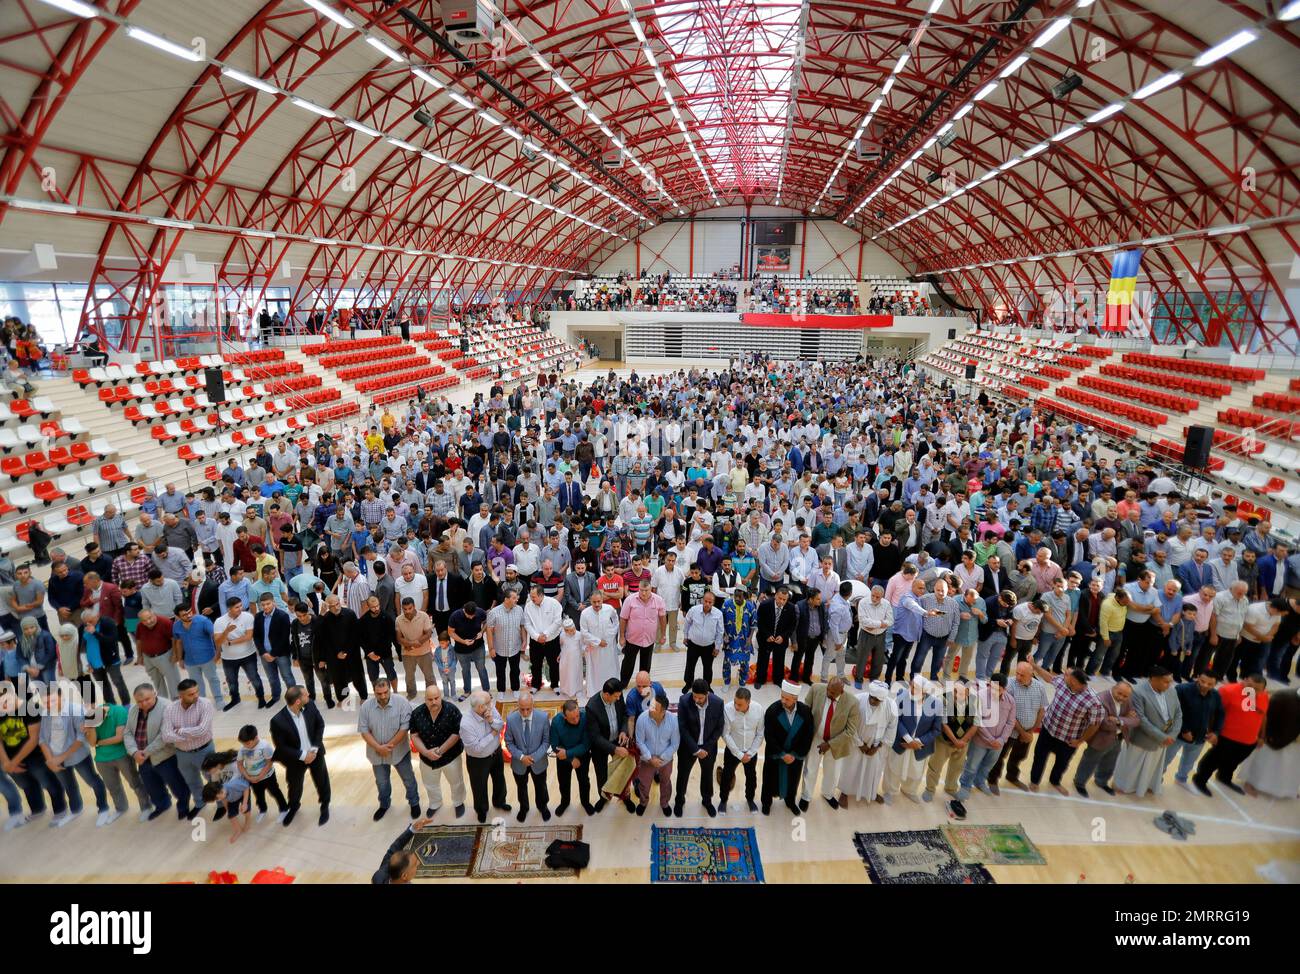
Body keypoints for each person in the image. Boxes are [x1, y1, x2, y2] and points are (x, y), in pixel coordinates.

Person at [1024, 659, 1105, 794]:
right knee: (1039, 757)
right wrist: (1033, 665)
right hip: (1047, 729)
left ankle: (1055, 781)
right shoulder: (1063, 682)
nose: (1063, 676)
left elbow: (1094, 725)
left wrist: (1080, 741)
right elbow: (1049, 678)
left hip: (1068, 739)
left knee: (1061, 763)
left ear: (1074, 681)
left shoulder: (1093, 701)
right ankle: (1034, 781)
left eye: (1067, 675)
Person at [39, 687, 114, 827]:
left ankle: (103, 808)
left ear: (61, 697)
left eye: (52, 701)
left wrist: (60, 758)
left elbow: (80, 739)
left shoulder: (75, 710)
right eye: (46, 702)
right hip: (55, 758)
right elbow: (42, 739)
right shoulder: (46, 714)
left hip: (78, 756)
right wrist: (49, 760)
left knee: (93, 781)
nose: (49, 705)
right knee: (68, 786)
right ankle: (75, 809)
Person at [124, 683, 192, 821]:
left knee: (176, 784)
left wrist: (145, 752)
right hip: (142, 757)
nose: (143, 704)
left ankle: (183, 805)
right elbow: (128, 732)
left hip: (165, 756)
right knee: (151, 785)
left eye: (147, 699)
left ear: (154, 693)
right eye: (139, 701)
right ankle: (162, 805)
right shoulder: (133, 709)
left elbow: (164, 736)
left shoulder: (168, 707)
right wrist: (134, 752)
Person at [1193, 674, 1269, 796]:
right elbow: (1214, 712)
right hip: (1226, 737)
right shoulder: (1227, 691)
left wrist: (1261, 736)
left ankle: (1224, 777)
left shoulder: (1264, 697)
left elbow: (1263, 716)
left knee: (1233, 762)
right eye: (1249, 686)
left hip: (1249, 740)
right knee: (1213, 760)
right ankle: (1200, 779)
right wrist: (1212, 731)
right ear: (1244, 680)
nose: (1251, 690)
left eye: (1256, 689)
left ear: (1263, 690)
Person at [1113, 665, 1182, 797]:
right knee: (1132, 765)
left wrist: (1172, 735)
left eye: (1170, 681)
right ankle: (1123, 785)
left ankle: (1147, 786)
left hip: (1164, 738)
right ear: (1154, 679)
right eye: (1166, 681)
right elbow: (1141, 719)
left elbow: (1178, 714)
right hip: (1142, 737)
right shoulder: (1138, 692)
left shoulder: (1171, 691)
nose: (1169, 684)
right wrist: (1162, 737)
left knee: (1153, 767)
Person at [358, 679, 421, 821]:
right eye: (379, 693)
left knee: (408, 779)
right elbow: (364, 730)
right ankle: (384, 805)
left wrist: (388, 747)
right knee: (381, 781)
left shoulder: (402, 703)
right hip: (376, 753)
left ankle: (414, 803)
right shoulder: (366, 707)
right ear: (374, 691)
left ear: (390, 689)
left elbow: (404, 728)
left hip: (399, 752)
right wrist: (379, 748)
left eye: (386, 692)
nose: (383, 696)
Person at [270, 685, 330, 826]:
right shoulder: (277, 721)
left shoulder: (311, 706)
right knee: (294, 786)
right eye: (305, 694)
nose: (308, 695)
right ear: (298, 701)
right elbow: (281, 747)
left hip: (315, 754)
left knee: (322, 781)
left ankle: (325, 805)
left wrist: (314, 749)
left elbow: (320, 725)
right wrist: (303, 755)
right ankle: (294, 806)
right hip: (296, 759)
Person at [86, 695, 152, 823]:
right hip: (102, 759)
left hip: (122, 755)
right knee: (113, 786)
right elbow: (92, 743)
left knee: (135, 783)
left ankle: (146, 807)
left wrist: (100, 742)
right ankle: (121, 808)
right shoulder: (90, 717)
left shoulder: (118, 711)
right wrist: (91, 727)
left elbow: (119, 737)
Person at [987, 660, 1047, 794]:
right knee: (999, 757)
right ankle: (992, 780)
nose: (1018, 677)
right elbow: (1008, 713)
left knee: (1019, 756)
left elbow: (1041, 710)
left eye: (1022, 675)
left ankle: (1012, 776)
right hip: (1008, 732)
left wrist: (1030, 732)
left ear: (1031, 675)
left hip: (1027, 732)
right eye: (1017, 673)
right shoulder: (1009, 685)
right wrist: (1022, 732)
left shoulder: (1040, 687)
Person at [801, 675, 860, 810]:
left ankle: (828, 794)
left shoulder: (853, 703)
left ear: (842, 691)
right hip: (816, 737)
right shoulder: (816, 689)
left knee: (833, 772)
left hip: (837, 742)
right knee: (810, 768)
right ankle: (806, 796)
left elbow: (850, 731)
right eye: (828, 690)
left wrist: (830, 744)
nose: (828, 693)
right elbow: (805, 712)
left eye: (832, 693)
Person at [409, 685, 466, 819]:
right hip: (426, 758)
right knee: (430, 783)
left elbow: (457, 733)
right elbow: (414, 735)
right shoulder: (417, 713)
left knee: (456, 781)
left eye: (436, 698)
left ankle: (458, 802)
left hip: (450, 756)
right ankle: (435, 803)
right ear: (425, 699)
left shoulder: (452, 710)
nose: (433, 702)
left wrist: (440, 751)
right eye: (430, 699)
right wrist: (426, 752)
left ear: (440, 696)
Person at [1071, 680, 1137, 797]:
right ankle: (1079, 783)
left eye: (1125, 696)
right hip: (1100, 738)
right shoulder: (1101, 699)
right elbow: (1104, 724)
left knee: (1109, 762)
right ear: (1113, 688)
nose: (1122, 697)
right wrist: (1126, 719)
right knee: (1089, 761)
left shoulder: (1128, 700)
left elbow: (1136, 720)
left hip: (1118, 738)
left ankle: (1101, 781)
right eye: (1119, 693)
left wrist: (1118, 720)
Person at [161, 679, 216, 818]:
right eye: (191, 694)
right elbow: (166, 736)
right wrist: (189, 734)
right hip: (182, 754)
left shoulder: (205, 704)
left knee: (213, 778)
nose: (196, 695)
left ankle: (221, 805)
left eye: (197, 691)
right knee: (192, 781)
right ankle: (199, 803)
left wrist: (179, 732)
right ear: (181, 696)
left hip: (204, 750)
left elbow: (202, 730)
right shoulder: (170, 709)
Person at [955, 675, 1015, 800]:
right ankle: (965, 785)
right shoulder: (979, 696)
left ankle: (980, 781)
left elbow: (1010, 723)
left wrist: (1001, 740)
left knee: (988, 765)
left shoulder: (1010, 701)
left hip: (998, 743)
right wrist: (990, 739)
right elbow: (977, 720)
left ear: (1004, 689)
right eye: (991, 687)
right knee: (971, 765)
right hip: (980, 741)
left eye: (997, 689)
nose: (993, 691)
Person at [883, 677, 943, 805]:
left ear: (924, 691)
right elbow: (896, 719)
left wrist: (918, 742)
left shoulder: (937, 704)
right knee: (893, 767)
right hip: (902, 742)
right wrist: (908, 739)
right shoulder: (902, 695)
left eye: (915, 688)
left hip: (919, 746)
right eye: (911, 686)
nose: (911, 689)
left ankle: (909, 790)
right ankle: (889, 791)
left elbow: (936, 730)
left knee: (915, 771)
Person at [838, 680, 899, 806]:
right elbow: (850, 724)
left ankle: (871, 792)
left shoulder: (891, 706)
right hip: (856, 744)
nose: (873, 701)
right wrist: (860, 744)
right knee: (850, 767)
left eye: (877, 700)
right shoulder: (857, 700)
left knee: (874, 771)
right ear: (869, 693)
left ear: (883, 699)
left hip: (877, 746)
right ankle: (844, 792)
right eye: (872, 698)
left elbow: (891, 729)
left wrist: (877, 747)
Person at [760, 680, 814, 815]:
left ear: (795, 699)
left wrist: (794, 754)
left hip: (795, 756)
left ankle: (790, 801)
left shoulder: (806, 712)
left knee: (793, 780)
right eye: (782, 697)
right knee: (768, 781)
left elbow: (808, 736)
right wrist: (782, 754)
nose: (783, 701)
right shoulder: (772, 711)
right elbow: (769, 736)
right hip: (776, 754)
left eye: (787, 699)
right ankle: (766, 803)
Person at [674, 678, 724, 817]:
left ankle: (707, 801)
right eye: (694, 696)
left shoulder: (718, 703)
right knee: (683, 774)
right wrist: (695, 749)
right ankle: (679, 800)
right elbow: (682, 728)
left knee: (707, 776)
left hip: (708, 747)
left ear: (707, 694)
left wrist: (706, 748)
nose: (696, 699)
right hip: (688, 747)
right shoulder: (684, 701)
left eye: (700, 697)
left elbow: (719, 728)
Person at [1166, 672, 1225, 790]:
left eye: (1210, 684)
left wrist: (1215, 732)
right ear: (1197, 678)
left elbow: (1220, 713)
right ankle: (1156, 779)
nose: (1205, 685)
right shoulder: (1181, 689)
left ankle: (1181, 779)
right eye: (1203, 681)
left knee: (1189, 761)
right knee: (1165, 759)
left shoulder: (1216, 695)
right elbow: (1173, 711)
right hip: (1177, 735)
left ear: (1215, 684)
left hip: (1200, 737)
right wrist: (1184, 730)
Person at [460, 689, 511, 823]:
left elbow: (500, 725)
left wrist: (491, 721)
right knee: (479, 786)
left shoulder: (490, 708)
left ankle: (500, 802)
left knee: (499, 779)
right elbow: (477, 748)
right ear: (480, 707)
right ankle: (482, 810)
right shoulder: (466, 723)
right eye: (489, 702)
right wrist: (493, 734)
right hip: (478, 760)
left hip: (496, 753)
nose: (492, 704)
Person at [585, 677, 635, 813]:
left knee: (624, 770)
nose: (619, 699)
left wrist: (624, 731)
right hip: (600, 745)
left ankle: (626, 797)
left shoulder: (618, 695)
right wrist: (615, 749)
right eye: (616, 697)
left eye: (619, 696)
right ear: (607, 695)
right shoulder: (591, 706)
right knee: (601, 774)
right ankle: (603, 798)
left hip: (618, 739)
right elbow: (594, 737)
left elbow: (625, 715)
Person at [923, 681, 979, 802]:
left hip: (963, 743)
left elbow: (976, 724)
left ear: (967, 692)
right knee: (935, 766)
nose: (954, 694)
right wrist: (955, 740)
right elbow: (944, 723)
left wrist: (962, 741)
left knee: (957, 767)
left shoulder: (974, 702)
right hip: (943, 741)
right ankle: (929, 789)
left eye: (958, 692)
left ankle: (951, 788)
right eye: (953, 691)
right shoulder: (942, 699)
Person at [1239, 688, 1299, 799]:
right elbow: (1266, 716)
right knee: (1262, 760)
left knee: (1290, 766)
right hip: (1273, 736)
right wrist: (1264, 735)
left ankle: (1288, 789)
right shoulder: (1283, 697)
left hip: (1294, 740)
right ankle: (1250, 782)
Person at [504, 689, 551, 822]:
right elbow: (508, 742)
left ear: (533, 705)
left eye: (528, 709)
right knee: (521, 788)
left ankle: (543, 807)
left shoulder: (543, 717)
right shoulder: (511, 719)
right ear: (518, 706)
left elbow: (546, 741)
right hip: (519, 763)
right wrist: (521, 757)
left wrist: (534, 757)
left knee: (541, 786)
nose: (525, 713)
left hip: (539, 762)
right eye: (522, 709)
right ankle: (524, 808)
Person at [633, 691, 678, 816]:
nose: (650, 709)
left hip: (666, 760)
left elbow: (674, 744)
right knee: (644, 783)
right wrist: (650, 758)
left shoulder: (673, 721)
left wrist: (661, 759)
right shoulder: (642, 718)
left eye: (654, 708)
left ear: (663, 711)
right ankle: (643, 802)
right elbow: (640, 742)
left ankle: (664, 803)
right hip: (647, 759)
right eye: (651, 705)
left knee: (666, 781)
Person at [719, 686, 763, 813]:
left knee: (751, 776)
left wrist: (750, 753)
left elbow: (760, 733)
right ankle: (723, 800)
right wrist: (739, 754)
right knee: (726, 775)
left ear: (748, 702)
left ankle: (750, 799)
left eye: (740, 704)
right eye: (735, 703)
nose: (736, 707)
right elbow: (725, 734)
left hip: (750, 752)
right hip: (733, 751)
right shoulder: (727, 709)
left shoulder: (758, 709)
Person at [549, 698, 594, 816]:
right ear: (564, 716)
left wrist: (568, 753)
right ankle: (565, 802)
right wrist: (570, 759)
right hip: (563, 758)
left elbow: (586, 744)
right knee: (563, 782)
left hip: (581, 755)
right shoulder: (556, 722)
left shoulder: (585, 718)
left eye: (577, 716)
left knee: (584, 781)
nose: (576, 720)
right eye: (572, 718)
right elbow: (555, 745)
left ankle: (585, 802)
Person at [236, 724, 288, 823]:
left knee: (275, 792)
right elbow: (240, 764)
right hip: (252, 778)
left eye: (248, 743)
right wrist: (248, 777)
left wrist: (260, 776)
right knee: (259, 795)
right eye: (243, 743)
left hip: (268, 777)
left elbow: (269, 763)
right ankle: (262, 810)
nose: (245, 746)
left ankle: (284, 809)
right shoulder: (243, 749)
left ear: (256, 737)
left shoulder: (265, 746)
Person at [619, 577, 665, 687]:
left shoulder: (659, 600)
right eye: (641, 590)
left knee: (646, 664)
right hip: (632, 639)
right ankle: (623, 683)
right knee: (628, 663)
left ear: (651, 589)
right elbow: (623, 618)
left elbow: (663, 618)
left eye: (646, 590)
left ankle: (643, 684)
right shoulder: (630, 599)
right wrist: (621, 636)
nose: (643, 593)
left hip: (649, 639)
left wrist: (663, 635)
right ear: (638, 589)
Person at [252, 594, 294, 703]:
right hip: (265, 653)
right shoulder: (258, 616)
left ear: (273, 602)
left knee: (287, 677)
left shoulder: (283, 616)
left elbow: (284, 637)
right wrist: (263, 652)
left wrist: (273, 654)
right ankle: (275, 696)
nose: (265, 607)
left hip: (280, 653)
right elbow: (256, 636)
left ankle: (294, 698)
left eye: (268, 604)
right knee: (272, 677)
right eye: (263, 605)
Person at [372, 816, 436, 884]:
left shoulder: (379, 876)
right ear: (404, 876)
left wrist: (413, 829)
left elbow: (395, 847)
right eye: (415, 864)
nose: (419, 863)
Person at [579, 590, 620, 696]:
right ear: (590, 601)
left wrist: (611, 635)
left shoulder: (609, 609)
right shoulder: (585, 613)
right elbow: (584, 631)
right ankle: (595, 692)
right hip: (594, 648)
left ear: (602, 600)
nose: (597, 604)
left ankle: (612, 689)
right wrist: (597, 642)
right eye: (594, 602)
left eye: (599, 601)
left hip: (609, 646)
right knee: (595, 670)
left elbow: (616, 621)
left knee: (610, 667)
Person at [755, 586, 796, 689]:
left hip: (780, 640)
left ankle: (778, 680)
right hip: (765, 638)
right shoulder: (765, 605)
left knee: (779, 660)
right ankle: (760, 679)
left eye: (784, 600)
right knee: (762, 659)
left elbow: (792, 626)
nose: (781, 601)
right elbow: (760, 623)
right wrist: (767, 635)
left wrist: (783, 636)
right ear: (775, 596)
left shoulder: (791, 608)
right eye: (780, 598)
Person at [394, 598, 436, 699]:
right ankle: (412, 693)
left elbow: (428, 633)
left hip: (424, 652)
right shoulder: (399, 619)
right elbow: (398, 638)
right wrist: (410, 644)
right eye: (405, 609)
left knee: (429, 676)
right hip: (407, 653)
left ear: (414, 606)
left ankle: (432, 694)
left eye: (410, 608)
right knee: (409, 677)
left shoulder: (423, 616)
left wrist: (419, 642)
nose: (407, 611)